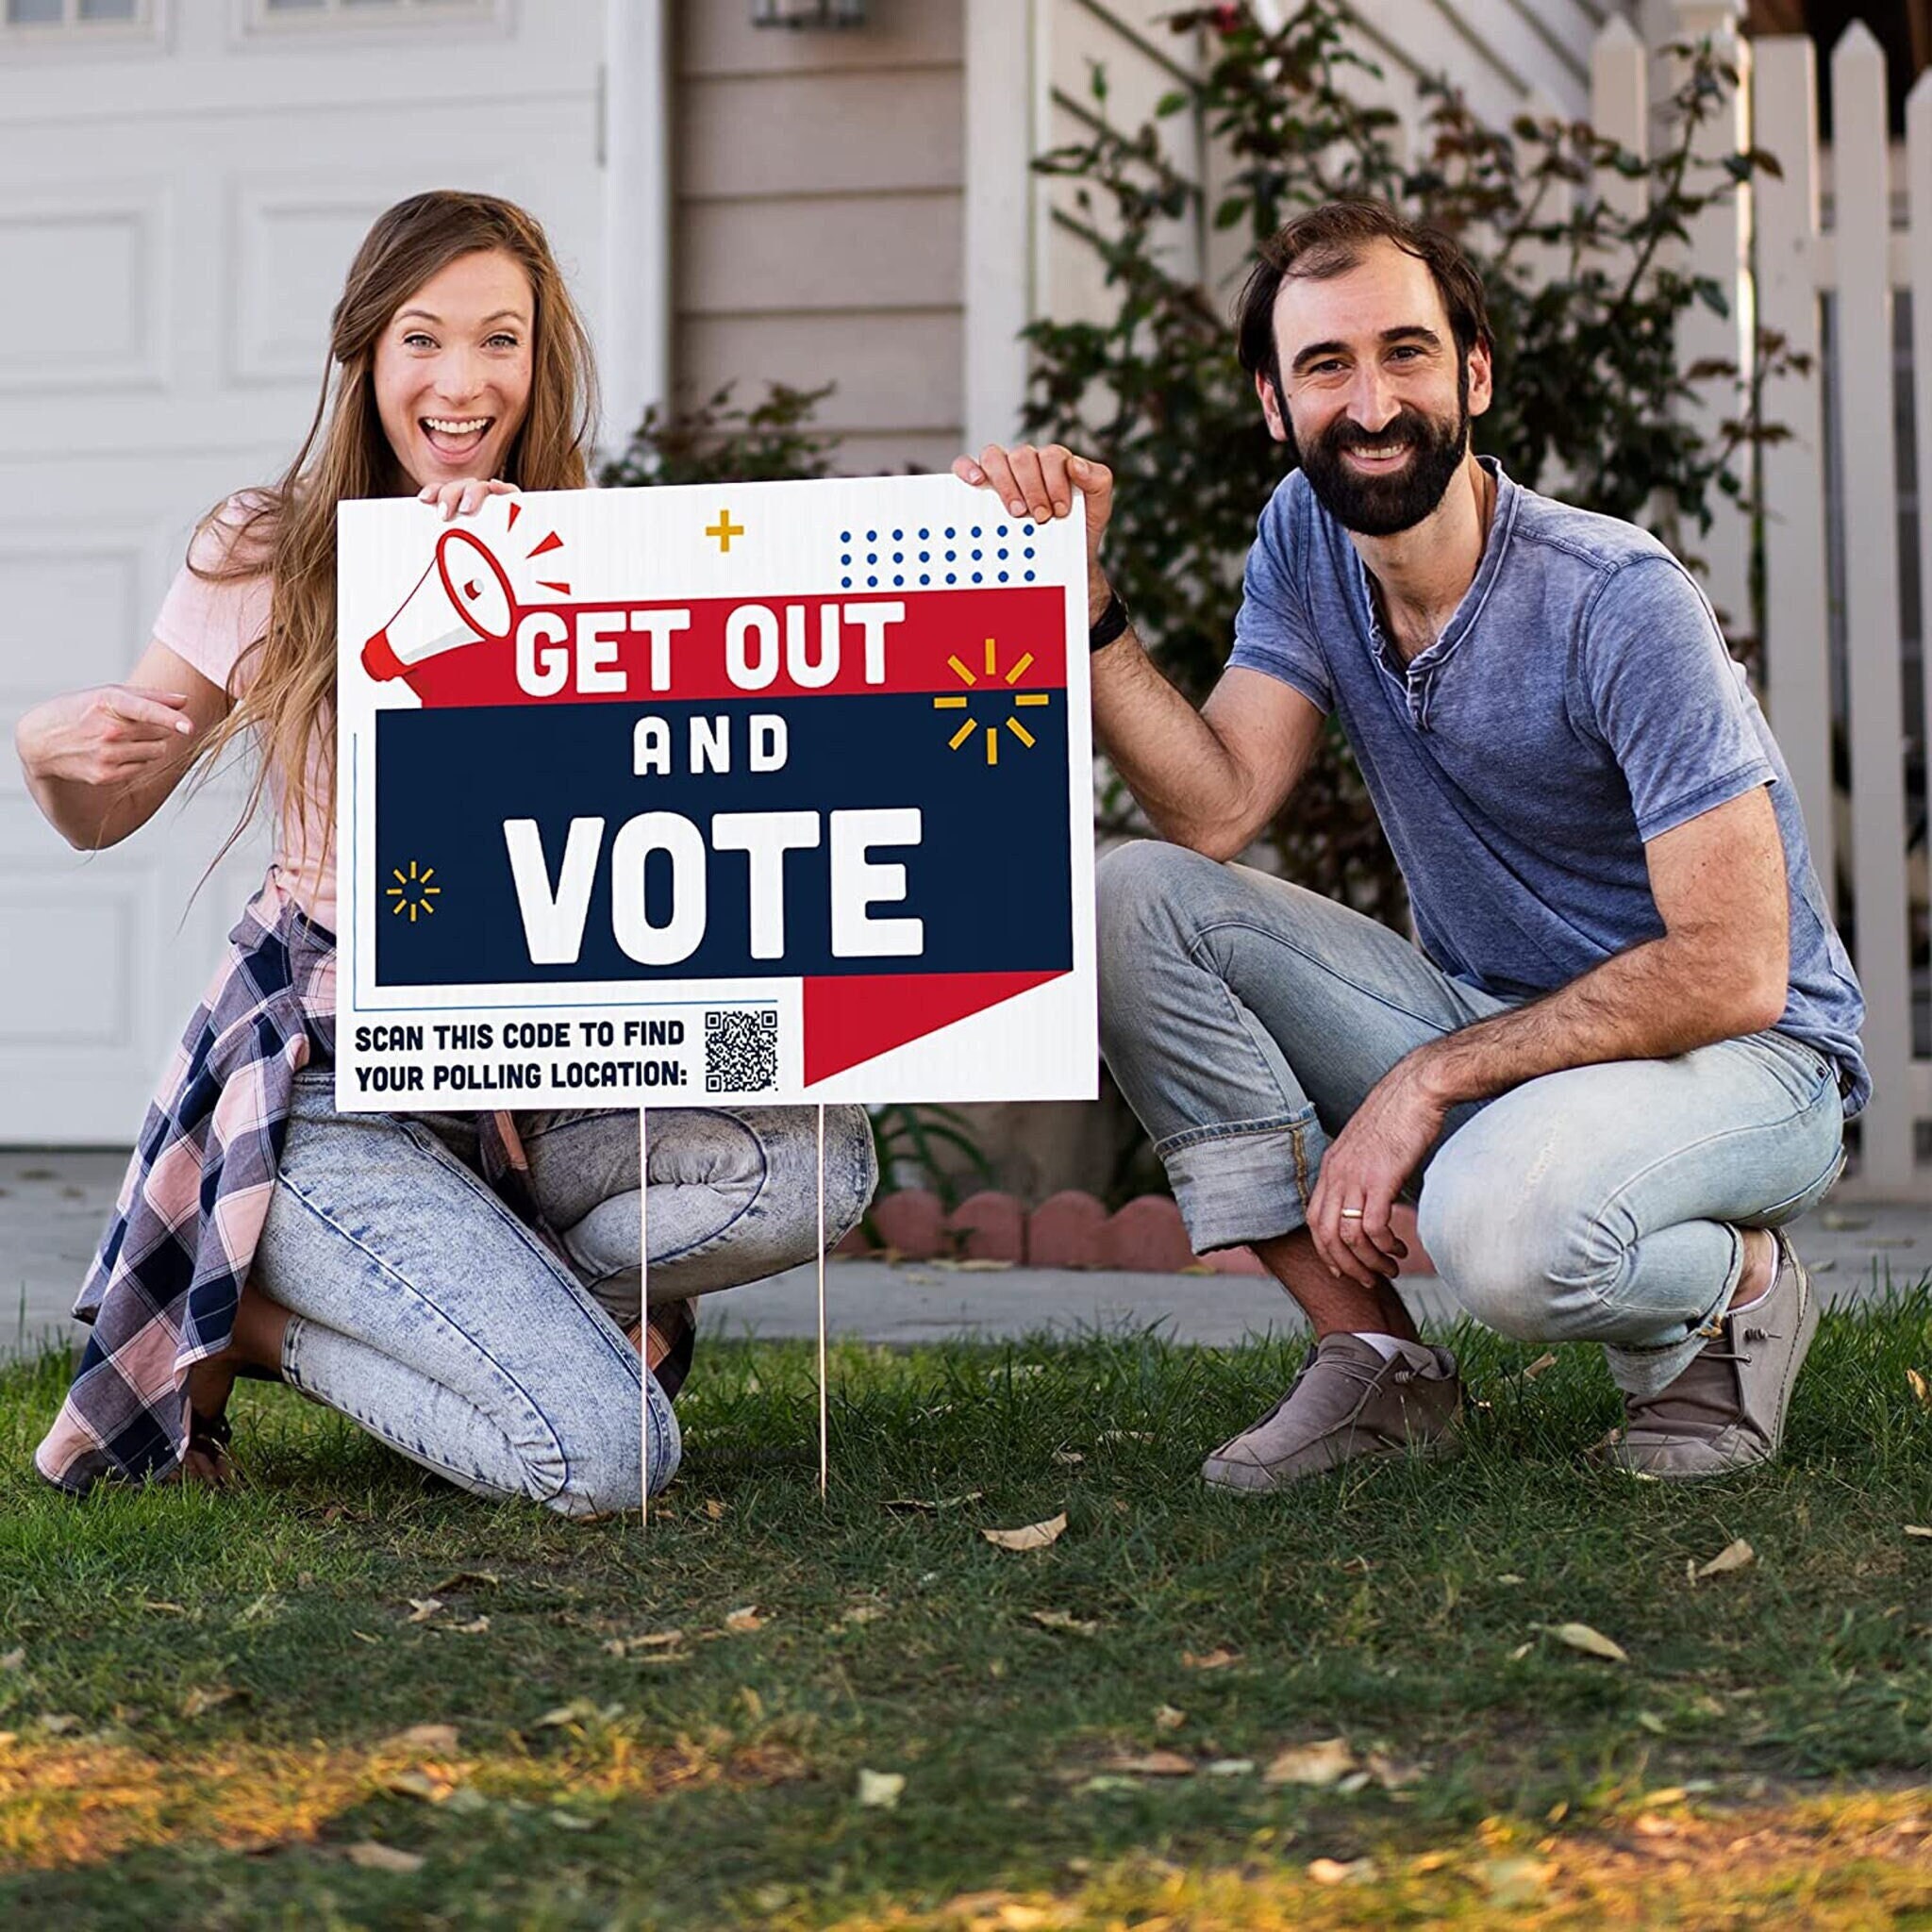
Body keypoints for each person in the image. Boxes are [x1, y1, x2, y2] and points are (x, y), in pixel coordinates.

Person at [958, 199, 1865, 1491]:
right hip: (1502, 1023)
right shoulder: (1307, 540)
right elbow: (1213, 810)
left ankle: (1742, 1286)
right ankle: (1378, 1363)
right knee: (1130, 898)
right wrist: (1082, 603)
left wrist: (1426, 1082)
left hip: (1749, 1060)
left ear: (1474, 373)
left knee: (1499, 1236)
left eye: (1406, 353)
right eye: (1326, 366)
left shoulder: (1617, 598)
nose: (1371, 403)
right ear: (1276, 406)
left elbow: (1733, 970)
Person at [21, 191, 875, 1515]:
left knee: (823, 1157)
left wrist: (1005, 530)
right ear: (366, 356)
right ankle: (252, 1313)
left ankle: (471, 1301)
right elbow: (109, 804)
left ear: (542, 364)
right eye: (423, 340)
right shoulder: (269, 550)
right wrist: (49, 764)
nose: (462, 381)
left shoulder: (609, 563)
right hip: (336, 1082)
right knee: (610, 1455)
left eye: (501, 341)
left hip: (532, 1081)